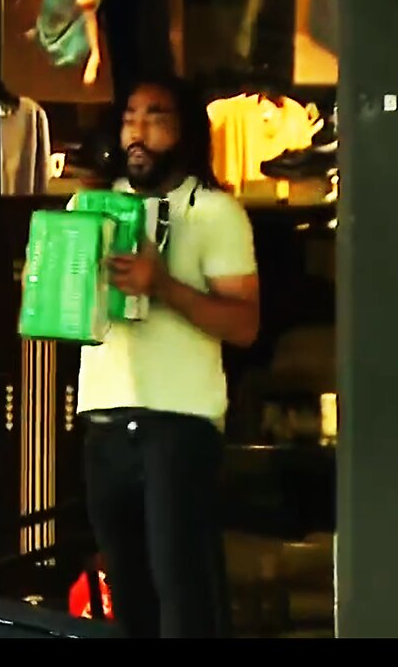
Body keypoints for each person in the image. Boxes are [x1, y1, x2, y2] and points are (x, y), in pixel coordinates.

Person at [74, 75, 259, 638]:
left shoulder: (216, 213)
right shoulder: (89, 207)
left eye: (155, 117)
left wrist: (164, 286)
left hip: (180, 423)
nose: (138, 132)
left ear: (184, 132)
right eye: (130, 118)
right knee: (128, 596)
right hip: (103, 419)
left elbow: (244, 324)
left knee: (182, 592)